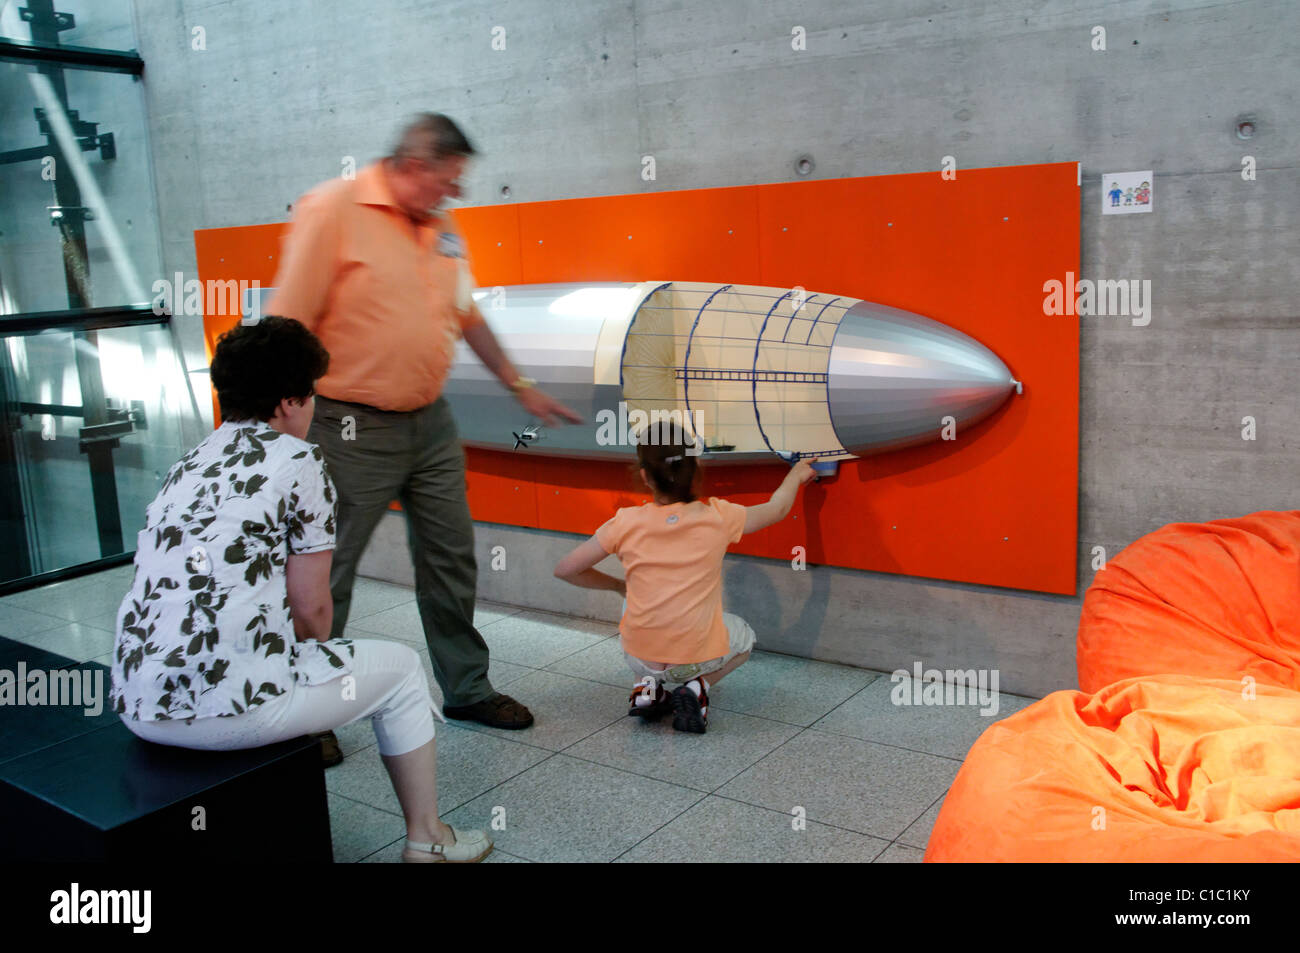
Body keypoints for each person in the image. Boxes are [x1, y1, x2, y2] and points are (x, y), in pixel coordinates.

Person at [109, 317, 490, 863]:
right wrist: (313, 654)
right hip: (226, 710)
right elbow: (312, 609)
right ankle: (429, 840)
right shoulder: (300, 461)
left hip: (139, 699)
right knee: (403, 671)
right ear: (290, 402)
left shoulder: (187, 463)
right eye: (312, 395)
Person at [267, 113, 580, 762]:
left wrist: (519, 383)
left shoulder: (438, 225)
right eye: (448, 180)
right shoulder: (331, 209)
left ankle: (466, 687)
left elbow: (466, 313)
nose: (456, 194)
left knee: (451, 555)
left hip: (430, 421)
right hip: (346, 422)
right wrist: (280, 431)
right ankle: (305, 709)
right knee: (329, 567)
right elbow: (286, 324)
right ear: (412, 166)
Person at [553, 422, 817, 733]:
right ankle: (696, 689)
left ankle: (647, 687)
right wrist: (797, 473)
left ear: (645, 476)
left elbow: (566, 569)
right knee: (744, 636)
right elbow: (777, 508)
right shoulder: (718, 517)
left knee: (634, 596)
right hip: (692, 659)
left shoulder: (624, 522)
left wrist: (617, 586)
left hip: (638, 654)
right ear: (697, 469)